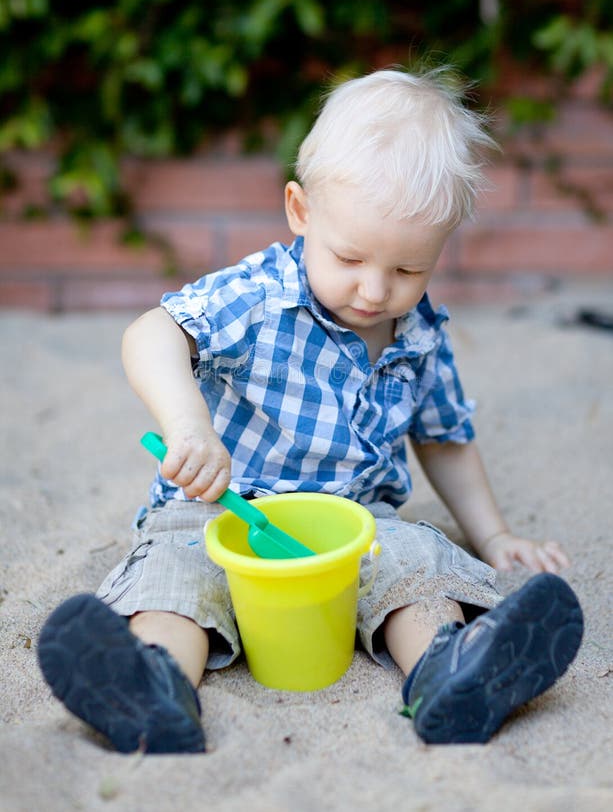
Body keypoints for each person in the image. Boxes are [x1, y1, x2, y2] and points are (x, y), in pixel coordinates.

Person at [37, 67, 583, 753]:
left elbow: (444, 438)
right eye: (349, 256)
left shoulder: (419, 336)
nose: (375, 289)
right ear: (301, 212)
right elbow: (152, 332)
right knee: (172, 581)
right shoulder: (258, 294)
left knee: (416, 563)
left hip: (353, 531)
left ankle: (450, 673)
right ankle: (152, 687)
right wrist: (188, 425)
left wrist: (495, 534)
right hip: (219, 512)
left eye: (409, 269)